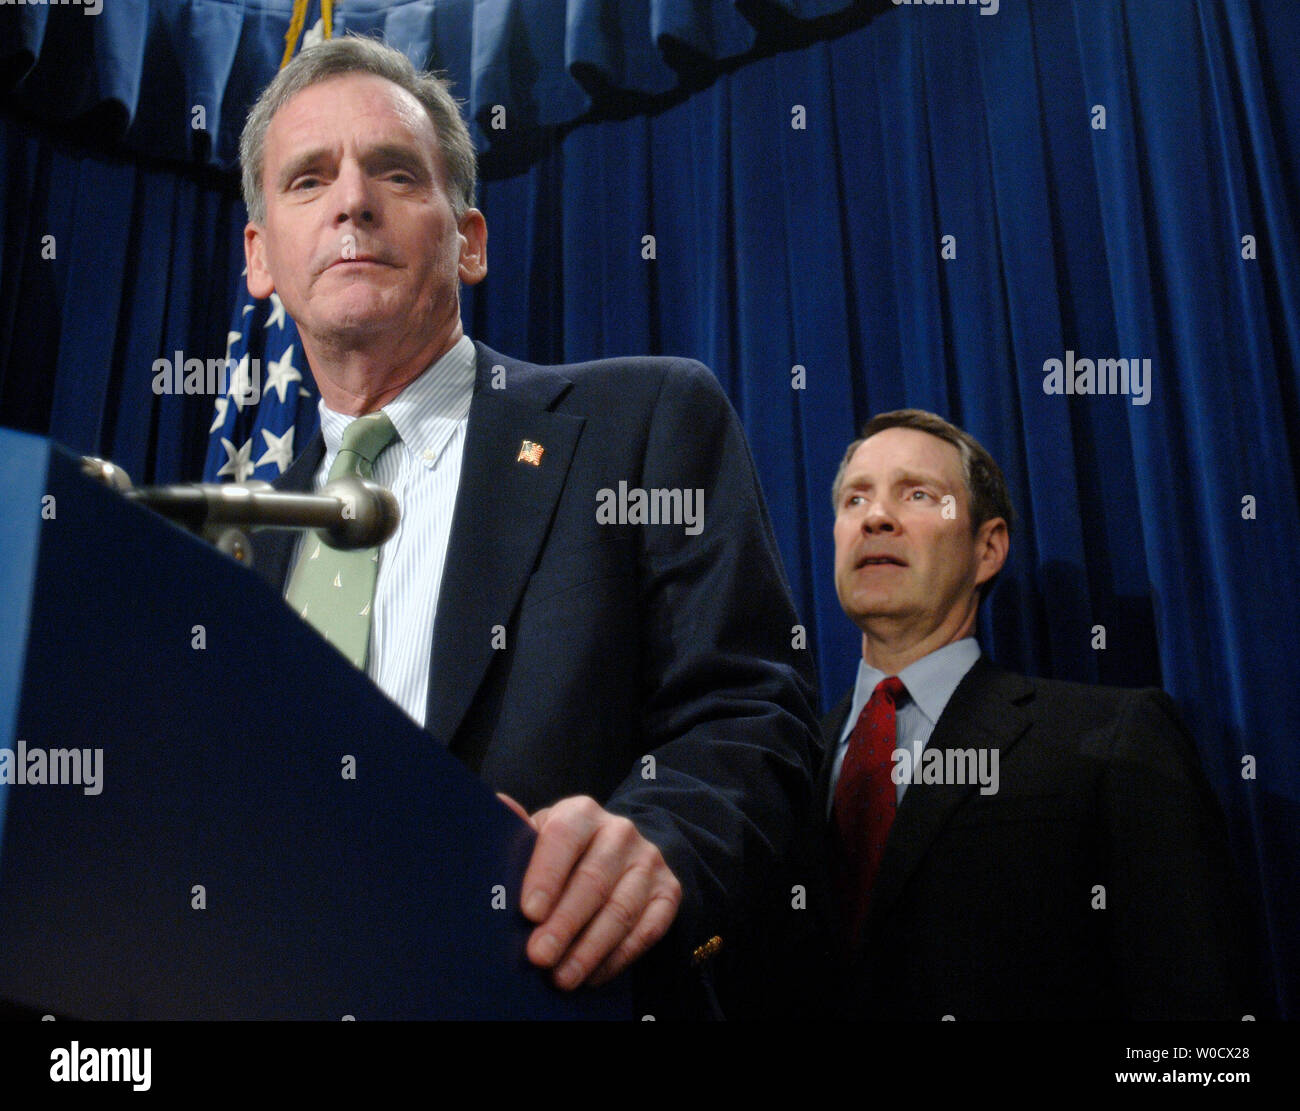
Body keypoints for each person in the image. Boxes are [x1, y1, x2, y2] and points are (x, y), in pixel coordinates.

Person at [236, 36, 819, 1016]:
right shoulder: (229, 548)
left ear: (469, 239)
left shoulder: (644, 422)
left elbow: (753, 717)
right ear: (261, 259)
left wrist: (657, 841)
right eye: (307, 180)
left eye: (393, 171)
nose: (351, 202)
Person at [820, 408, 1253, 1019]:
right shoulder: (781, 767)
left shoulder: (1111, 738)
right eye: (854, 499)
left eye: (918, 494)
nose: (876, 517)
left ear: (988, 547)